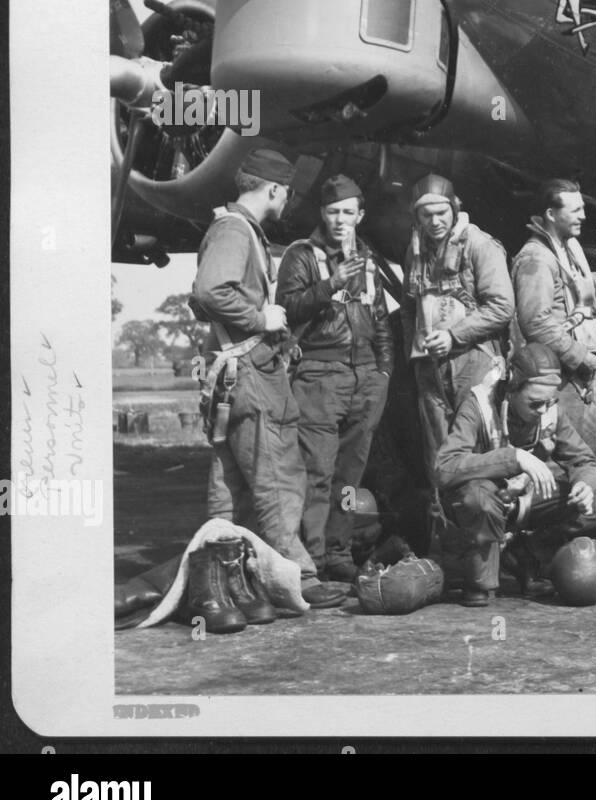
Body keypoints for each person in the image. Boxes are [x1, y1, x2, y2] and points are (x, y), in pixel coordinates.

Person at [190, 149, 350, 607]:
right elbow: (209, 290)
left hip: (234, 371)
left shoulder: (230, 229)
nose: (288, 200)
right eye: (287, 192)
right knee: (276, 473)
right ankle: (299, 578)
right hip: (251, 374)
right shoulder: (236, 230)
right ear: (275, 189)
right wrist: (261, 318)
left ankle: (227, 579)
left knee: (232, 483)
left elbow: (203, 297)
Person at [434, 342, 596, 606]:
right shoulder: (477, 406)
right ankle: (481, 577)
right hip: (484, 504)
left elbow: (584, 460)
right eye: (535, 404)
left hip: (522, 503)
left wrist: (585, 486)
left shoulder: (549, 408)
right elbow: (444, 468)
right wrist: (513, 458)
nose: (543, 410)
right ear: (511, 390)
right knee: (477, 501)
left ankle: (527, 552)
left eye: (549, 402)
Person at [276, 174, 394, 584]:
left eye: (348, 212)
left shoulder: (368, 260)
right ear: (322, 215)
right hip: (319, 375)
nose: (340, 220)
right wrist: (331, 284)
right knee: (317, 471)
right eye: (332, 212)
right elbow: (287, 311)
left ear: (360, 215)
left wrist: (383, 372)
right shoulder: (301, 255)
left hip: (365, 377)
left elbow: (380, 320)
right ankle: (312, 556)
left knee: (350, 477)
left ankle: (339, 550)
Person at [403, 173, 514, 512]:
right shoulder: (416, 249)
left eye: (441, 212)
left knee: (478, 451)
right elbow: (411, 307)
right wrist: (418, 349)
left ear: (454, 209)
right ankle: (444, 538)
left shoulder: (479, 245)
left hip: (474, 362)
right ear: (416, 216)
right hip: (431, 367)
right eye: (426, 215)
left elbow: (502, 307)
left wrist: (453, 336)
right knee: (437, 454)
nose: (435, 221)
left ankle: (487, 530)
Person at [511, 179, 596, 453]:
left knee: (585, 460)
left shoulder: (569, 251)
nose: (584, 216)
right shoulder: (537, 258)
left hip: (579, 376)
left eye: (583, 209)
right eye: (575, 210)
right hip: (560, 379)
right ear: (551, 215)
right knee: (568, 464)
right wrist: (581, 357)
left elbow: (590, 314)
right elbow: (535, 322)